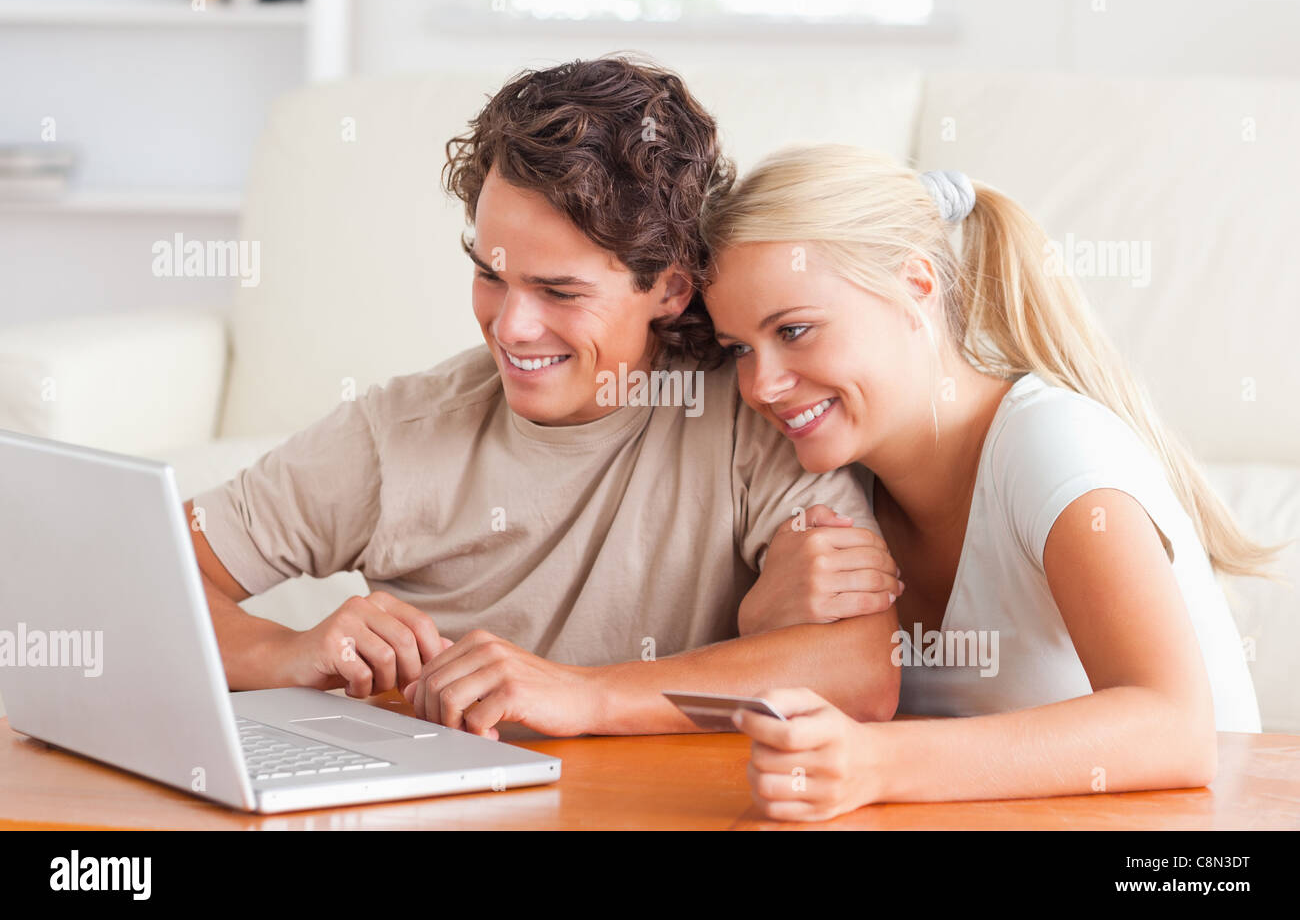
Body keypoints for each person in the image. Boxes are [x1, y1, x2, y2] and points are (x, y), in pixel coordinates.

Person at [186, 58, 905, 740]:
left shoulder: (757, 413)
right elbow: (150, 580)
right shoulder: (398, 433)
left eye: (560, 291)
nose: (511, 327)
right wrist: (286, 653)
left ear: (671, 288)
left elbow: (860, 672)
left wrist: (582, 694)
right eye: (491, 275)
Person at [701, 143, 1281, 819]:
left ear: (915, 285)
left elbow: (1175, 728)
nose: (760, 385)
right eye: (739, 348)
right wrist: (760, 620)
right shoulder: (837, 483)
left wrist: (875, 763)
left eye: (794, 330)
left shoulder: (1050, 446)